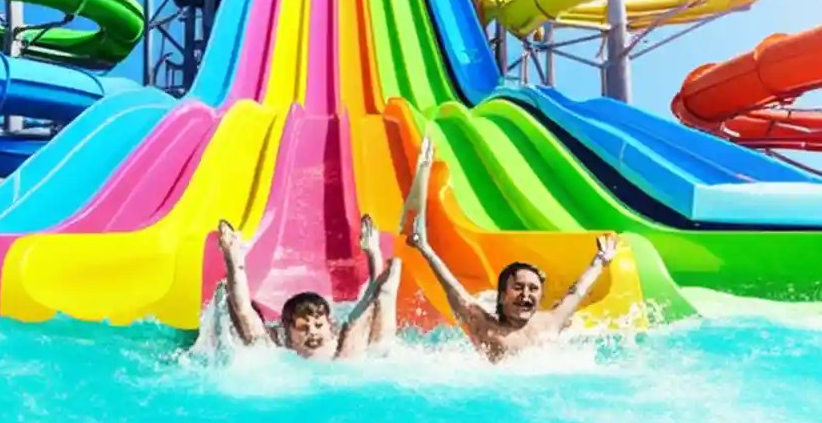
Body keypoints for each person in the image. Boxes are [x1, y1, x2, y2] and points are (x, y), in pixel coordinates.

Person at [403, 135, 619, 363]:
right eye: (518, 288)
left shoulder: (551, 322)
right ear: (503, 295)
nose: (526, 295)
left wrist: (600, 261)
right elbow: (456, 293)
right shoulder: (487, 330)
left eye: (533, 289)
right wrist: (425, 248)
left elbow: (577, 291)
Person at [215, 212, 402, 361]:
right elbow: (244, 311)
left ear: (330, 325)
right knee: (254, 340)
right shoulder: (276, 351)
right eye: (303, 328)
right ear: (288, 331)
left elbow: (361, 327)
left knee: (363, 347)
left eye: (318, 325)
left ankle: (378, 271)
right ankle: (234, 257)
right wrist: (232, 260)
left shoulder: (338, 343)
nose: (312, 332)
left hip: (352, 352)